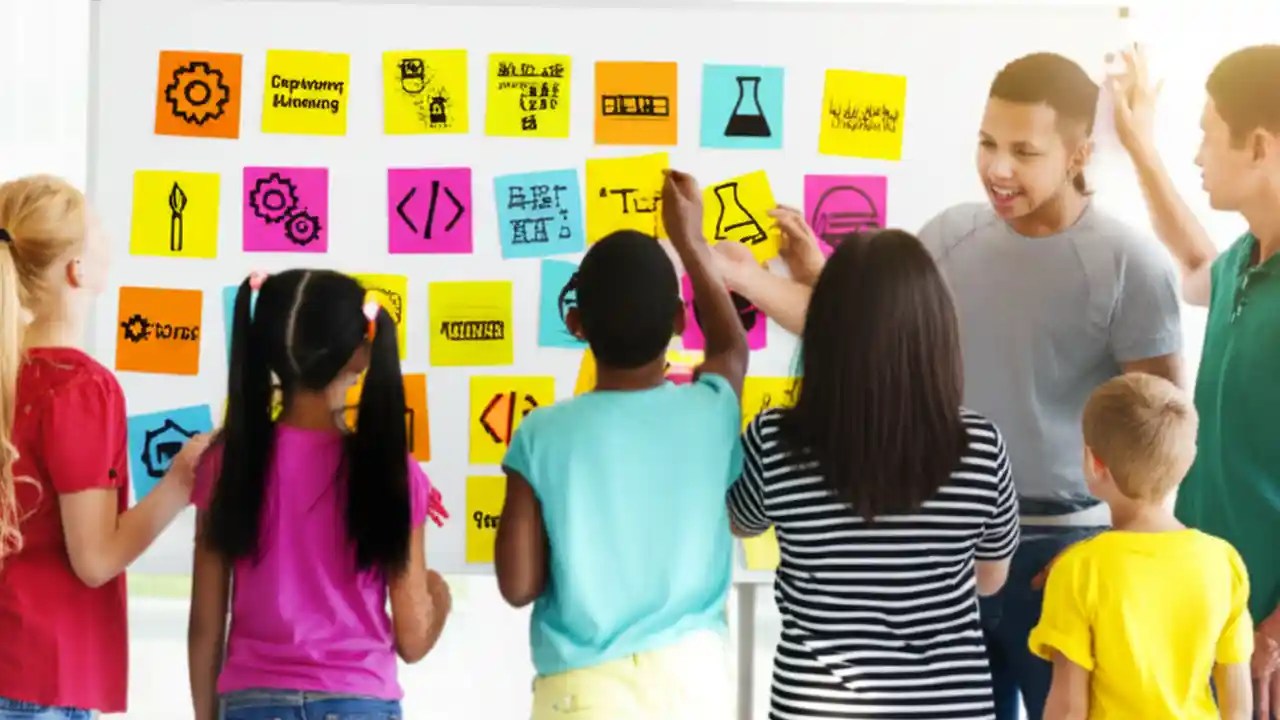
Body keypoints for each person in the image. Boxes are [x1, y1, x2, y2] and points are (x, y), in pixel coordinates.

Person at [716, 52, 1183, 720]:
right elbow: (864, 337)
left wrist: (1111, 556)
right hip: (942, 536)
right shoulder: (951, 234)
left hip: (1071, 548)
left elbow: (1163, 436)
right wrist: (758, 280)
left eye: (1024, 151)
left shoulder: (1132, 264)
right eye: (988, 143)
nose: (998, 167)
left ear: (1080, 153)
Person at [728, 229, 1021, 719]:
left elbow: (741, 522)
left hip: (817, 706)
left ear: (819, 332)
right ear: (938, 333)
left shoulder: (775, 440)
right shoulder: (981, 447)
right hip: (948, 707)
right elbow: (989, 580)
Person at [494, 170, 748, 720]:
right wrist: (690, 242)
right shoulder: (708, 410)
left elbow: (518, 586)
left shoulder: (540, 434)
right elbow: (732, 347)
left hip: (581, 692)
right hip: (693, 687)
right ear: (680, 322)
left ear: (575, 323)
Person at [187, 270, 450, 720]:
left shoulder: (225, 463)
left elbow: (205, 626)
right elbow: (413, 638)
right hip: (358, 700)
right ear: (360, 355)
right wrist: (439, 594)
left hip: (251, 702)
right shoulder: (392, 471)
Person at [1109, 43, 1280, 713]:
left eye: (1208, 136)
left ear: (1260, 145)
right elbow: (1192, 260)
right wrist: (1139, 148)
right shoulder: (1245, 259)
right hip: (1212, 618)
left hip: (1265, 646)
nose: (1198, 155)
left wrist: (1274, 634)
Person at [0, 175, 208, 719]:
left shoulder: (13, 380)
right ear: (78, 269)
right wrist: (180, 481)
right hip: (41, 675)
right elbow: (94, 559)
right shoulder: (80, 389)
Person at [1032, 373, 1254, 719]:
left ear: (1093, 462)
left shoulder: (1078, 569)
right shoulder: (1223, 562)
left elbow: (1068, 706)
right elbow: (1237, 703)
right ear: (1187, 463)